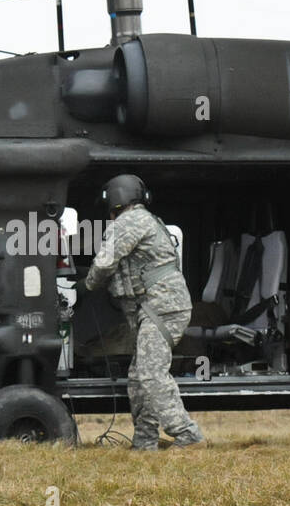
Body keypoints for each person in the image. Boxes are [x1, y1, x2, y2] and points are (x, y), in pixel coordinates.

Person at [85, 174, 205, 450]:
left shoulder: (129, 221)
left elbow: (104, 264)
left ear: (114, 200)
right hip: (159, 306)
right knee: (139, 377)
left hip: (162, 306)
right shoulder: (144, 219)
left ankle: (188, 435)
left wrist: (86, 285)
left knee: (151, 373)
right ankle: (144, 441)